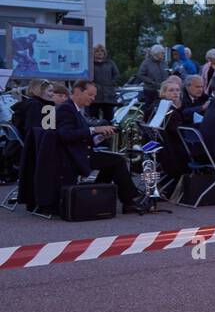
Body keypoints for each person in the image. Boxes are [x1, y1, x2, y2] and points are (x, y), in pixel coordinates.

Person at [55, 81, 148, 214]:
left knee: (113, 161)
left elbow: (81, 138)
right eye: (90, 94)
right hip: (72, 156)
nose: (93, 98)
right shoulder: (66, 109)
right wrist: (95, 129)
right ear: (77, 91)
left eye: (94, 95)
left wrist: (100, 137)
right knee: (117, 161)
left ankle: (94, 196)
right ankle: (128, 202)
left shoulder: (75, 109)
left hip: (80, 152)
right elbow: (65, 135)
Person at [90, 44, 119, 121]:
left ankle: (108, 132)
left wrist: (111, 82)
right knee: (93, 116)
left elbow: (116, 74)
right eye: (97, 51)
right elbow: (87, 76)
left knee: (109, 117)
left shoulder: (110, 63)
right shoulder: (90, 63)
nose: (99, 53)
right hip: (95, 94)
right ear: (93, 53)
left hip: (108, 94)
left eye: (102, 51)